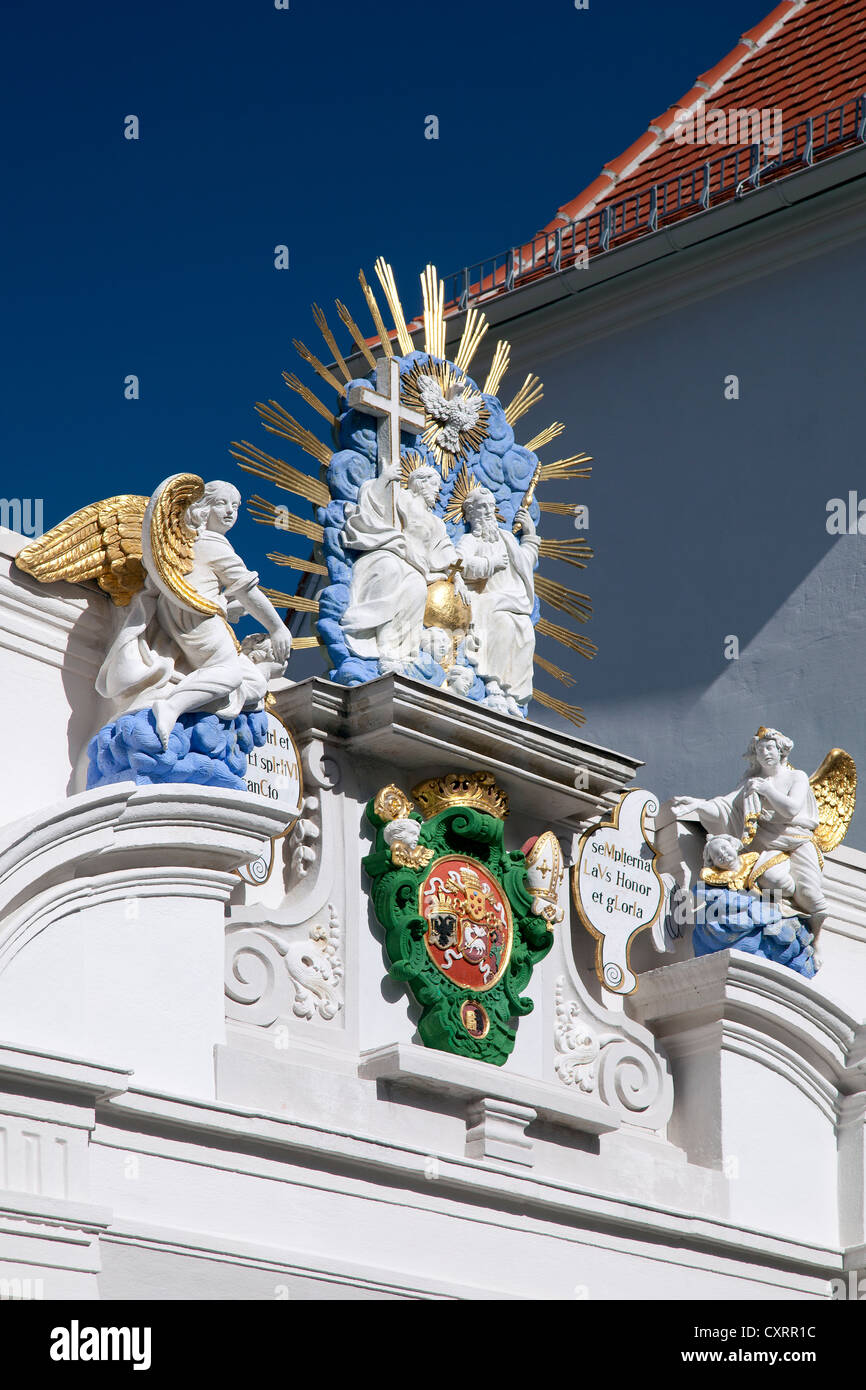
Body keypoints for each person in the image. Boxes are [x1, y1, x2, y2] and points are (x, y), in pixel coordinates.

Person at [97, 481, 293, 748]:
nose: (230, 512)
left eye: (235, 506)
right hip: (197, 615)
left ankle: (194, 710)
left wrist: (225, 605)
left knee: (242, 680)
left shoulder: (189, 541)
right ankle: (171, 707)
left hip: (182, 612)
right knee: (229, 673)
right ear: (202, 507)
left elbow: (199, 583)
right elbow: (247, 589)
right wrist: (277, 627)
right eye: (221, 503)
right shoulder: (213, 544)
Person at [672, 726, 828, 943]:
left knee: (810, 896)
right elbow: (724, 808)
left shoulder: (795, 777)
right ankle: (778, 916)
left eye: (770, 748)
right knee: (773, 880)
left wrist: (767, 790)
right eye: (760, 750)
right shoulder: (750, 782)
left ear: (781, 751)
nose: (765, 754)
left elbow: (791, 809)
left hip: (798, 842)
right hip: (766, 847)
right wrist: (699, 805)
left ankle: (816, 940)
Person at [340, 460, 467, 671]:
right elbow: (373, 504)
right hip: (391, 552)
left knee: (417, 590)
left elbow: (447, 554)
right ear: (420, 483)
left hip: (416, 569)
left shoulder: (436, 523)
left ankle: (397, 654)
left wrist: (459, 579)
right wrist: (384, 479)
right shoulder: (400, 497)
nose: (438, 492)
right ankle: (378, 642)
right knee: (390, 569)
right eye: (434, 485)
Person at [456, 487, 539, 708]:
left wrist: (530, 535)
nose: (489, 511)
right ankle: (493, 683)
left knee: (526, 634)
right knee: (503, 625)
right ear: (471, 513)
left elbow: (525, 563)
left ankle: (511, 694)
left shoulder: (506, 538)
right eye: (483, 507)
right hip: (487, 600)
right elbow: (459, 564)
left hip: (513, 602)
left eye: (491, 506)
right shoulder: (470, 540)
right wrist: (489, 564)